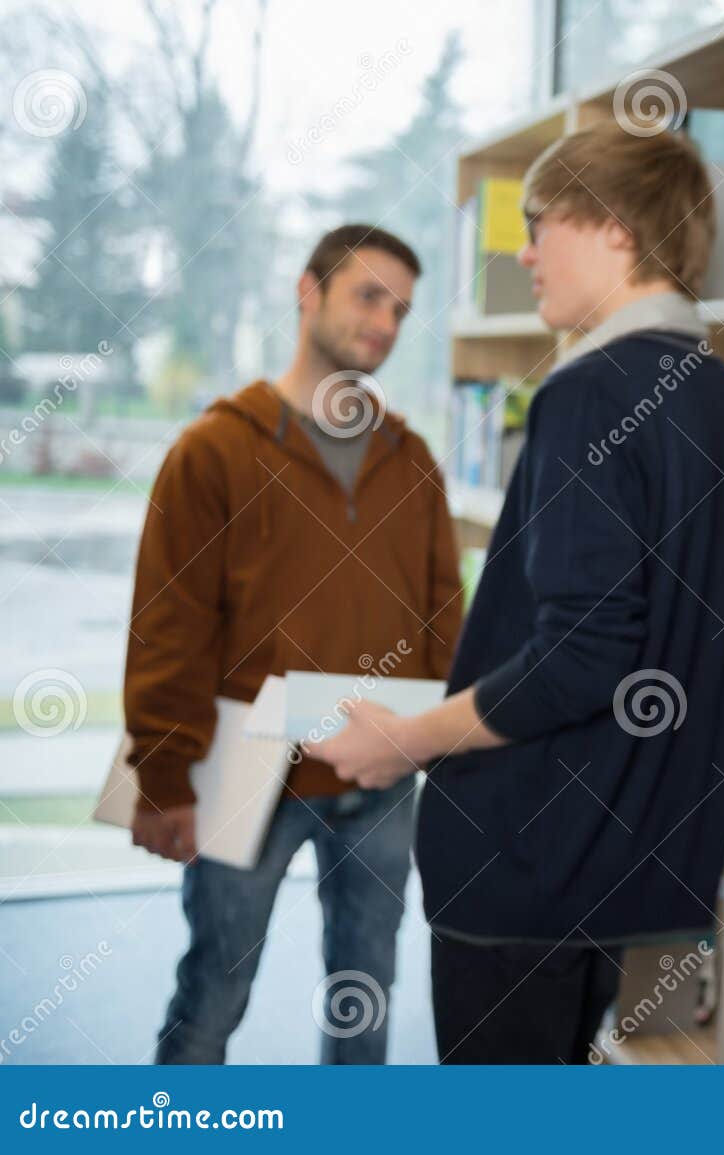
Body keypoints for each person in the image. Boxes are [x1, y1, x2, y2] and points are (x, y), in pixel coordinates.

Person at [309, 124, 724, 1064]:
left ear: (613, 231)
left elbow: (583, 656)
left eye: (540, 223)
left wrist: (406, 740)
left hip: (526, 863)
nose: (523, 252)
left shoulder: (589, 394)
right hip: (630, 874)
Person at [125, 224, 462, 1063]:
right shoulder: (215, 450)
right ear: (307, 292)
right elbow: (170, 622)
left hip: (378, 773)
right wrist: (162, 775)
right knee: (213, 992)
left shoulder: (412, 460)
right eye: (368, 295)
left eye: (402, 309)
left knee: (365, 998)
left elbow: (442, 619)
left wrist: (436, 741)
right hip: (248, 774)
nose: (386, 322)